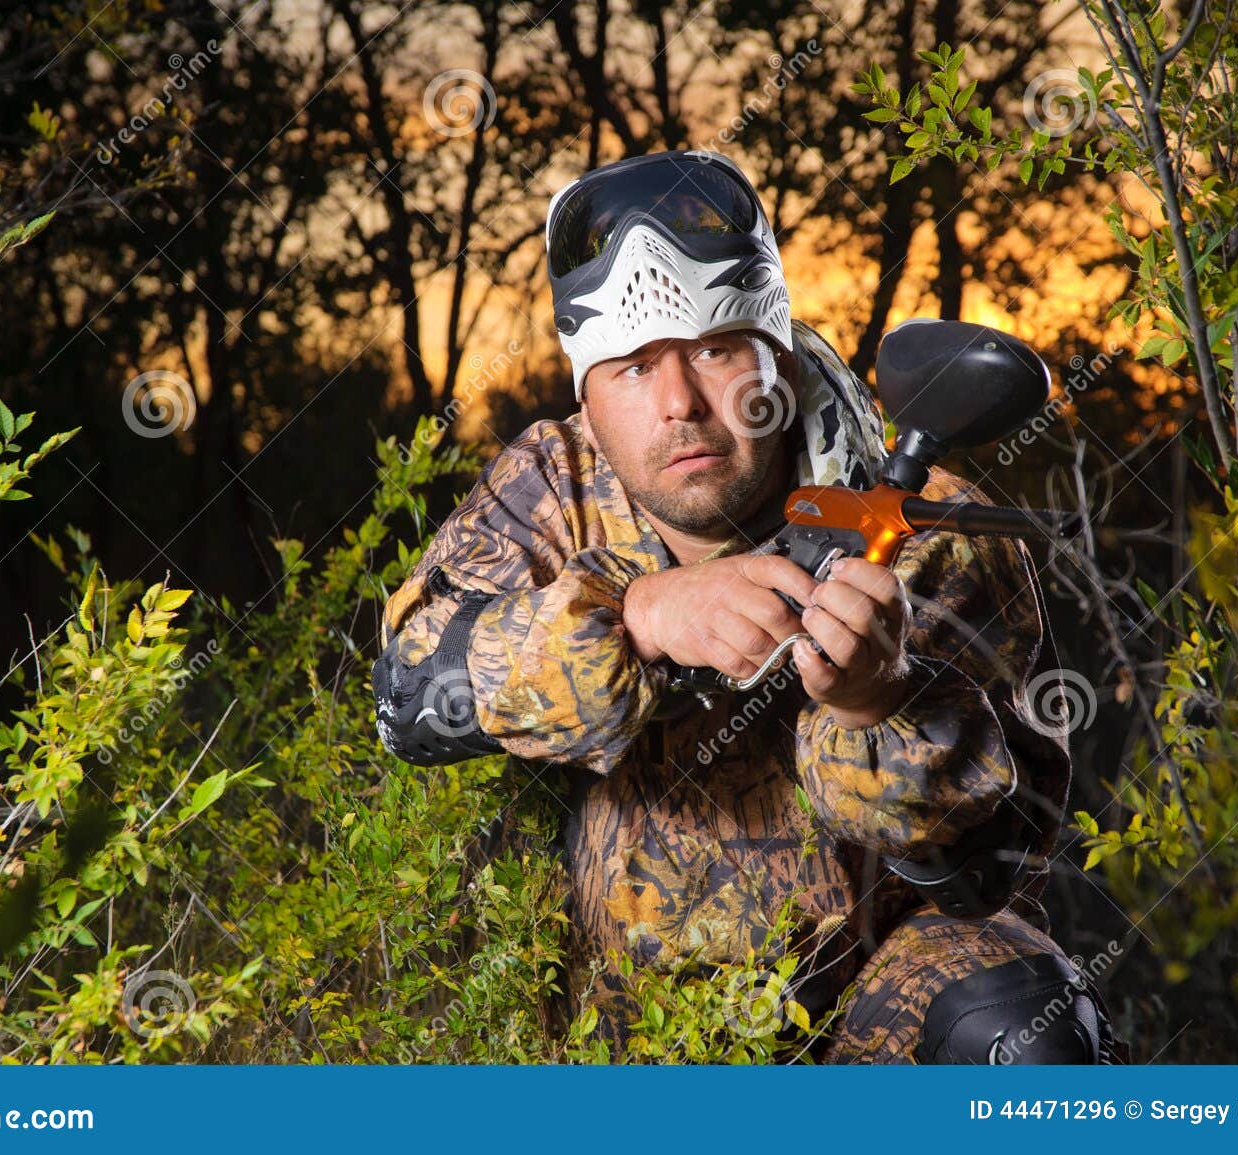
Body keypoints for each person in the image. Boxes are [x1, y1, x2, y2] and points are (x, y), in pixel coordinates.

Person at [372, 150, 1127, 1063]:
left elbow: (988, 874)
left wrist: (876, 704)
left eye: (714, 349)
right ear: (588, 393)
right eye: (633, 368)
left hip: (875, 1006)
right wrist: (639, 616)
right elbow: (408, 691)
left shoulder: (930, 530)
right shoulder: (554, 481)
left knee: (1025, 1026)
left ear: (774, 348)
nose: (680, 402)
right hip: (626, 1022)